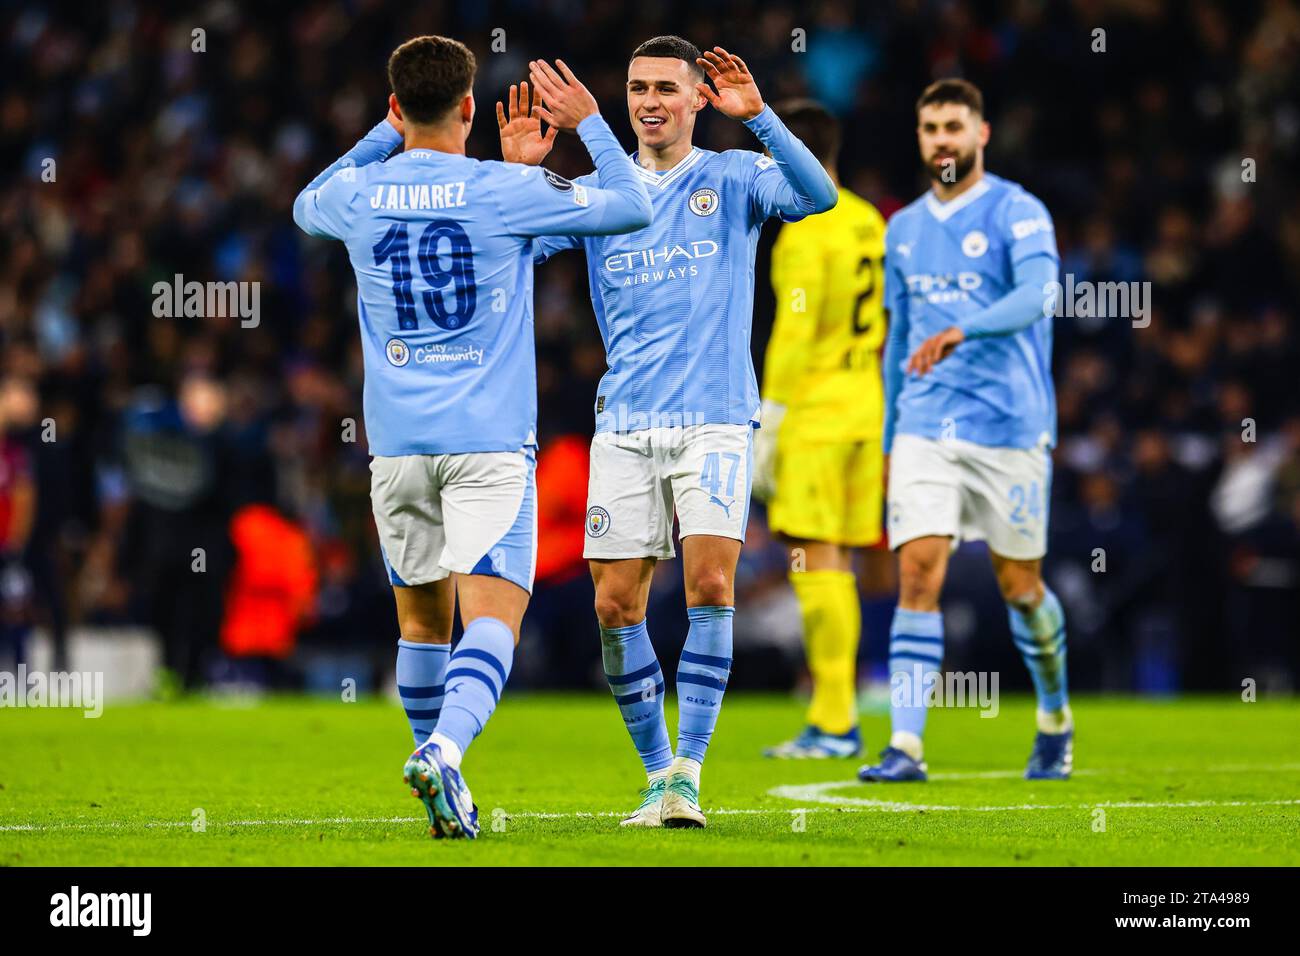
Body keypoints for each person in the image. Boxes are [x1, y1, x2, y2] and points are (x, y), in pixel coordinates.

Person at [293, 35, 651, 838]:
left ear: (393, 108)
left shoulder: (361, 194)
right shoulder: (500, 189)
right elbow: (633, 204)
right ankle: (446, 754)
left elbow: (305, 198)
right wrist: (591, 126)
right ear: (467, 108)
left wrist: (387, 136)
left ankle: (439, 777)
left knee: (421, 625)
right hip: (486, 447)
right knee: (494, 619)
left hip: (395, 451)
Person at [499, 36, 837, 826]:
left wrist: (760, 122)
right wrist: (518, 178)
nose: (649, 100)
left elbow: (817, 196)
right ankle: (656, 773)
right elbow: (512, 249)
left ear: (695, 100)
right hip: (623, 425)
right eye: (637, 87)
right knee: (616, 606)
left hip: (716, 419)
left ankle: (690, 769)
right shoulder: (598, 196)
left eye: (664, 88)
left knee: (711, 586)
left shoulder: (734, 175)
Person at [860, 78, 1071, 783]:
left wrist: (964, 328)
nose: (941, 140)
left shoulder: (1018, 211)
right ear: (919, 139)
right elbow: (896, 344)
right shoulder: (903, 229)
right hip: (925, 425)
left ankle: (1054, 717)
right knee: (918, 572)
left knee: (1021, 588)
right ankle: (906, 746)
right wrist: (891, 439)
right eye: (930, 129)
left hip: (1010, 425)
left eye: (954, 127)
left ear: (982, 134)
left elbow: (1041, 293)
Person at [751, 100, 888, 759]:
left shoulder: (807, 232)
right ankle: (836, 713)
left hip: (816, 415)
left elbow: (795, 333)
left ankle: (834, 720)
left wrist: (770, 421)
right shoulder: (867, 221)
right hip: (867, 407)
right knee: (839, 565)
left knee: (814, 562)